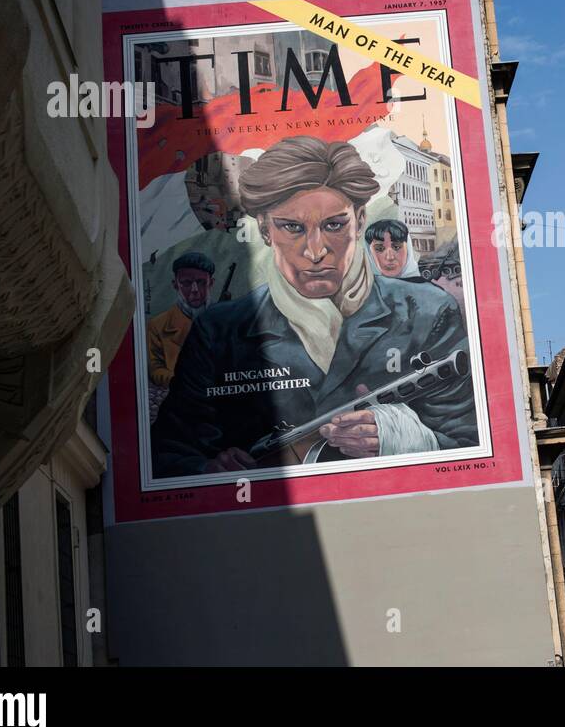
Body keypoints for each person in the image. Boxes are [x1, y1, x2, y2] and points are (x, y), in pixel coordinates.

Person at [151, 136, 477, 476]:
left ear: (360, 219)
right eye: (292, 227)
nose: (316, 250)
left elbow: (473, 447)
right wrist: (213, 472)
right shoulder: (219, 329)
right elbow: (170, 454)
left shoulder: (428, 312)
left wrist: (406, 439)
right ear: (265, 230)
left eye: (334, 225)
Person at [146, 251, 215, 387]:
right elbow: (156, 369)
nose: (194, 290)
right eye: (186, 283)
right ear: (175, 284)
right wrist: (182, 380)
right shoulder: (158, 325)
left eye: (201, 282)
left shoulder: (227, 319)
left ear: (211, 283)